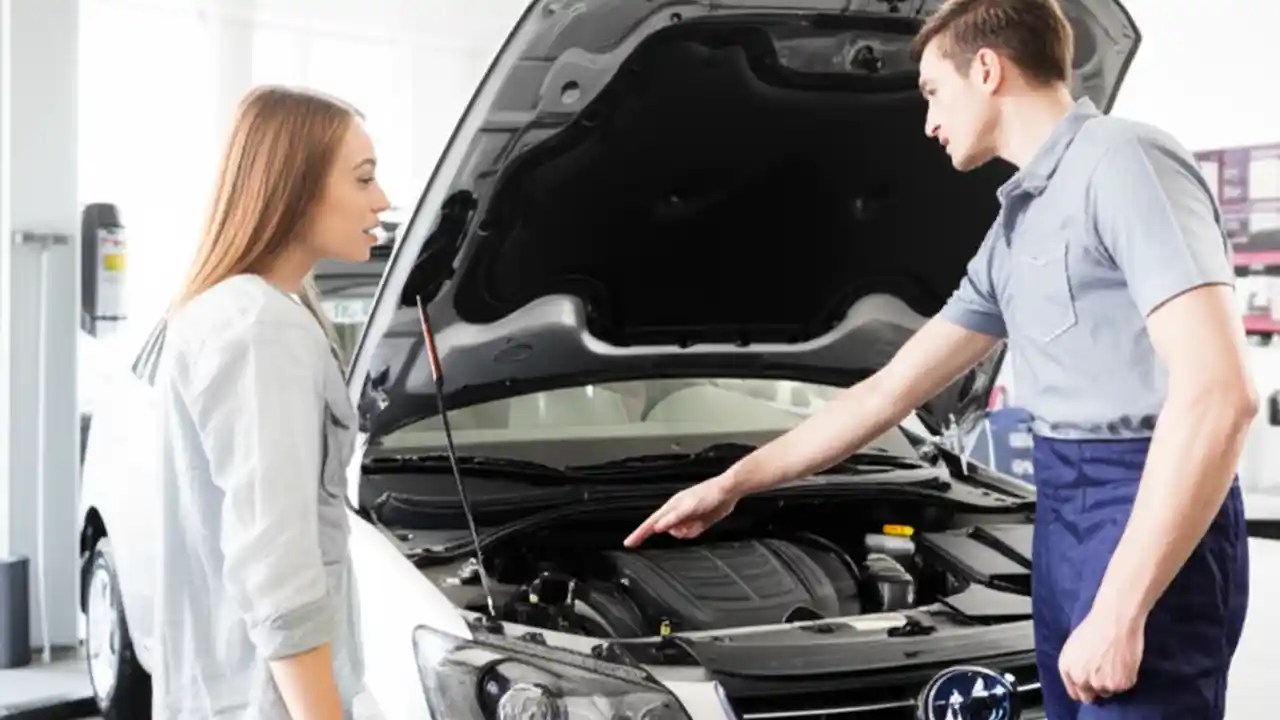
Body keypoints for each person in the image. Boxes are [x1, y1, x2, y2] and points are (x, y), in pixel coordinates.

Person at [623, 1, 1254, 717]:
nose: (928, 122)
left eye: (931, 91)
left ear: (986, 69)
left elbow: (1218, 397)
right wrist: (735, 483)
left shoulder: (1124, 160)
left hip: (1146, 506)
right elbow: (887, 392)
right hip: (1063, 508)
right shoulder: (1016, 225)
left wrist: (1119, 609)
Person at [150, 86, 390, 718]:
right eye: (364, 179)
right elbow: (278, 565)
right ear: (295, 184)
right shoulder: (261, 329)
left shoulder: (230, 312)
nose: (382, 201)